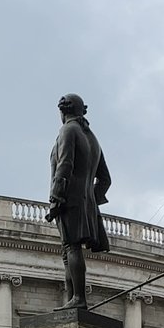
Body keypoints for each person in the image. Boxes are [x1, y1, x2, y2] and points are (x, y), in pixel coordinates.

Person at [46, 93, 112, 309]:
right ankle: (73, 298)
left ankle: (77, 298)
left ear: (63, 111)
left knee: (71, 247)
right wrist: (91, 197)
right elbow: (105, 179)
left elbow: (64, 164)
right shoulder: (93, 138)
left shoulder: (68, 130)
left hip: (69, 198)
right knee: (69, 248)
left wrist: (56, 196)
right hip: (85, 201)